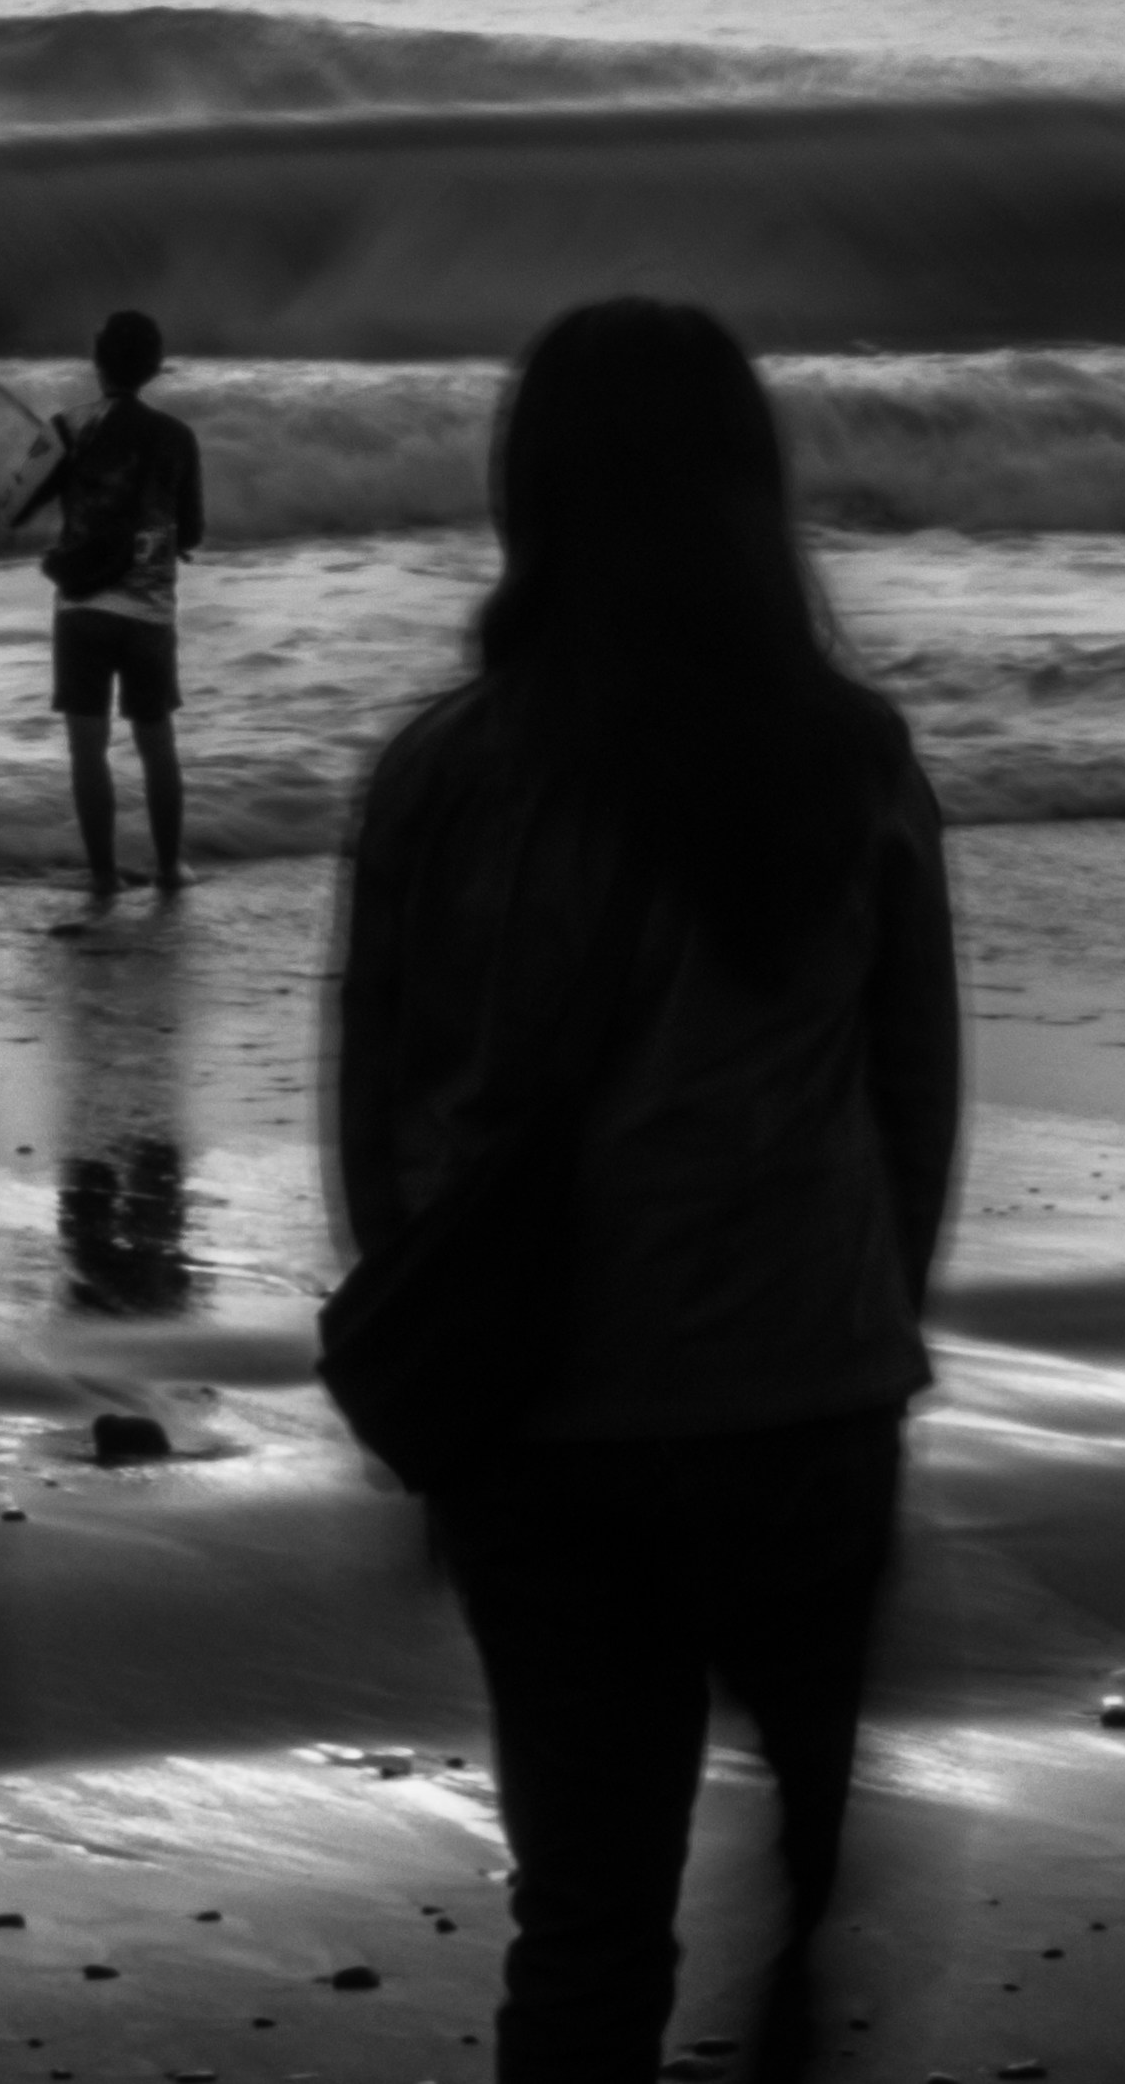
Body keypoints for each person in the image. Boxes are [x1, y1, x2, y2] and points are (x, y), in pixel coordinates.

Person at [327, 298, 963, 2084]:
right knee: (812, 1881)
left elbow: (378, 1126)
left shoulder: (441, 779)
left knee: (587, 1926)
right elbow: (913, 1096)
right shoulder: (848, 762)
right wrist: (865, 1317)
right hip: (805, 1401)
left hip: (546, 1424)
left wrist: (456, 1366)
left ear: (529, 497)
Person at [6, 306, 208, 896]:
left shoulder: (67, 427)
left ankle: (103, 876)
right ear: (154, 368)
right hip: (148, 614)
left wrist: (52, 461)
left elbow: (13, 508)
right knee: (156, 741)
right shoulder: (178, 438)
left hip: (81, 612)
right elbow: (191, 532)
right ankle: (170, 868)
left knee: (87, 747)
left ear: (98, 365)